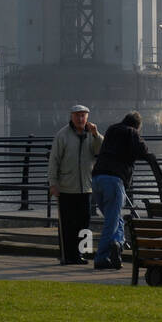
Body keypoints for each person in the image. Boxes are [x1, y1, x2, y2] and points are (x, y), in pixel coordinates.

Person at [91, 111, 151, 270]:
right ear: (137, 125)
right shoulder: (132, 132)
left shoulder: (111, 129)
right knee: (111, 222)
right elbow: (143, 150)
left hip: (97, 178)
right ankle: (101, 257)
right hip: (114, 180)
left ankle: (117, 245)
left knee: (115, 217)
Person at [48, 104, 103, 265]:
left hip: (85, 187)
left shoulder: (92, 135)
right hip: (66, 187)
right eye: (77, 115)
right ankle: (66, 255)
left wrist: (96, 134)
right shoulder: (62, 135)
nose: (80, 119)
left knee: (84, 224)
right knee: (66, 224)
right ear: (72, 116)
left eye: (83, 116)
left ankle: (82, 254)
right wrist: (53, 183)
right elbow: (54, 161)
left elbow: (100, 151)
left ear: (87, 117)